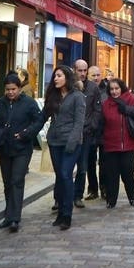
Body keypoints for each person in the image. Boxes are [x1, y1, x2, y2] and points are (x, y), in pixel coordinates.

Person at [0, 72, 44, 233]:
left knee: (17, 180)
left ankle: (15, 218)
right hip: (5, 147)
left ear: (19, 88)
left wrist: (26, 133)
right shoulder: (1, 103)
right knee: (7, 182)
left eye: (13, 89)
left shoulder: (29, 103)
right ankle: (8, 215)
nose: (10, 92)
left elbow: (38, 121)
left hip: (22, 148)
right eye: (8, 89)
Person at [42, 65, 86, 230]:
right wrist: (27, 132)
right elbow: (43, 117)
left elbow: (79, 122)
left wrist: (72, 143)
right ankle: (60, 211)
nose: (55, 78)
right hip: (55, 142)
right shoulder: (53, 96)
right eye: (54, 76)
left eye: (59, 75)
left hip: (71, 143)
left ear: (67, 77)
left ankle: (67, 214)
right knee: (60, 176)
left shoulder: (78, 97)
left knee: (66, 174)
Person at [101, 78, 134, 208]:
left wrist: (127, 109)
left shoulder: (131, 99)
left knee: (127, 171)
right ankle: (111, 200)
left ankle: (131, 195)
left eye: (117, 88)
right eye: (112, 89)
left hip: (129, 144)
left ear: (122, 88)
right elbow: (101, 123)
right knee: (112, 174)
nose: (114, 92)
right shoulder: (106, 104)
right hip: (111, 144)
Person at [72, 59, 103, 208]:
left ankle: (78, 195)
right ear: (74, 70)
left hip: (86, 133)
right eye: (80, 70)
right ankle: (60, 198)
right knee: (65, 169)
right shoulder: (69, 86)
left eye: (85, 71)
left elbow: (97, 110)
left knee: (82, 167)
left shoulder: (93, 88)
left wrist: (92, 126)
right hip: (69, 133)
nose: (83, 74)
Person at [85, 65, 107, 200]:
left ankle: (104, 188)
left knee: (104, 162)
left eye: (98, 75)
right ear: (88, 76)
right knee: (89, 162)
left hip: (105, 131)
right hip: (90, 131)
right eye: (93, 75)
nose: (96, 78)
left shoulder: (108, 89)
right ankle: (93, 189)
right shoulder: (84, 88)